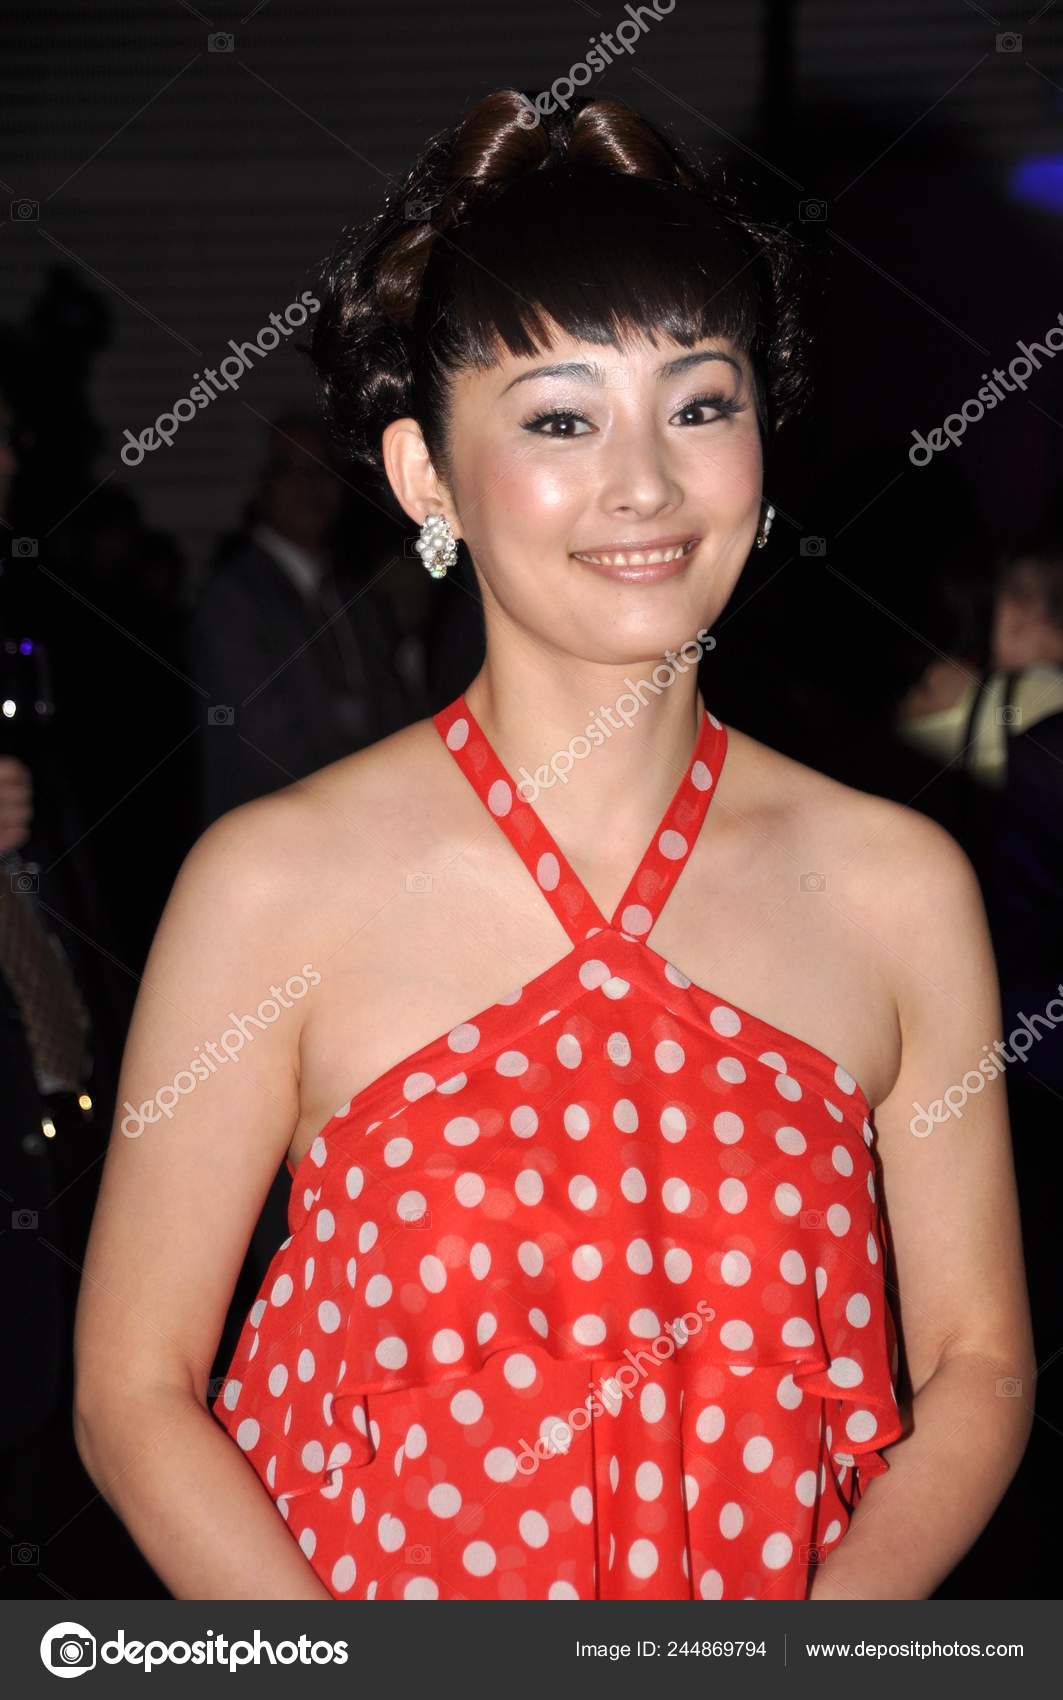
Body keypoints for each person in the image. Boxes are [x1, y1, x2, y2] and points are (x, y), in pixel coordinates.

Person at [72, 88, 1034, 1603]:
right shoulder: (274, 885)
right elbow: (134, 1391)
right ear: (424, 477)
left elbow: (976, 1363)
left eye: (699, 406)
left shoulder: (896, 886)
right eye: (560, 419)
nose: (643, 483)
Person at [191, 409, 412, 825]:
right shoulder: (235, 599)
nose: (311, 487)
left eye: (322, 471)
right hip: (277, 830)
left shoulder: (353, 595)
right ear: (262, 485)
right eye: (291, 471)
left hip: (369, 821)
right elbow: (262, 745)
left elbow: (392, 712)